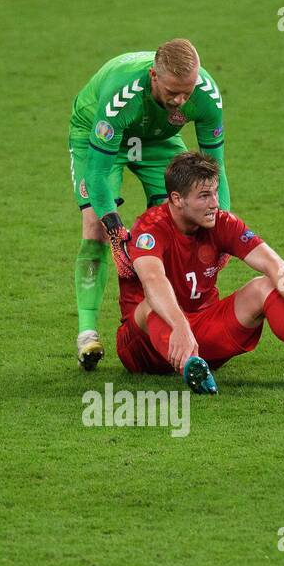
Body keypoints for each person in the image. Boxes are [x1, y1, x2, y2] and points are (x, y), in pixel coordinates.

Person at [117, 151, 284, 394]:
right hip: (145, 347)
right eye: (204, 196)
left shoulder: (222, 223)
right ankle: (190, 366)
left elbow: (276, 265)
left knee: (265, 285)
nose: (214, 203)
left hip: (201, 334)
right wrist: (180, 326)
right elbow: (153, 280)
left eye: (215, 192)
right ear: (177, 199)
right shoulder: (150, 228)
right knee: (152, 305)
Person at [68, 39, 230, 370]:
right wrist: (115, 233)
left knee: (179, 219)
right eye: (173, 92)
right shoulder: (120, 97)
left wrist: (221, 229)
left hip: (156, 140)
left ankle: (168, 320)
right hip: (96, 137)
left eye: (187, 92)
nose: (180, 101)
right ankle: (87, 333)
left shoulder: (206, 95)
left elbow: (215, 171)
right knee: (94, 227)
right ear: (154, 75)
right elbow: (98, 175)